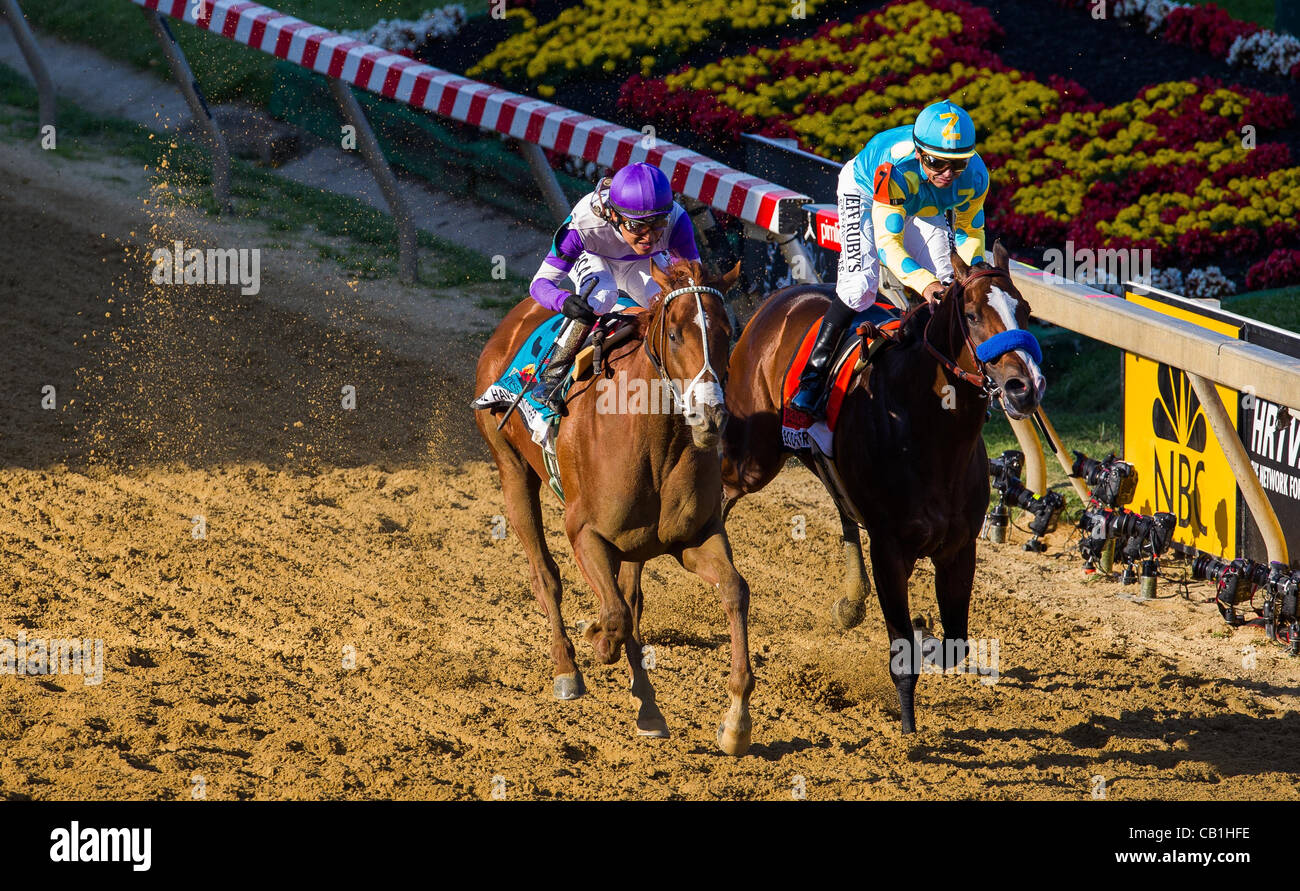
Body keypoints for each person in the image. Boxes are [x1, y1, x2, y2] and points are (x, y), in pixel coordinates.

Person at [789, 99, 991, 417]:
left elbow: (969, 233)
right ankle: (812, 379)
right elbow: (888, 245)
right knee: (859, 287)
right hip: (868, 190)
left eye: (958, 163)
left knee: (953, 286)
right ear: (919, 153)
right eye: (937, 162)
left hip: (920, 202)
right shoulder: (895, 168)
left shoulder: (976, 177)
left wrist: (968, 273)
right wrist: (925, 285)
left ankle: (953, 386)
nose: (948, 173)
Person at [527, 162, 700, 412]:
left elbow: (693, 284)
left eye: (658, 223)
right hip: (593, 255)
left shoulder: (677, 220)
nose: (649, 237)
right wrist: (563, 301)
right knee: (603, 296)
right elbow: (540, 283)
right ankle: (552, 375)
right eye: (637, 226)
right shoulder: (584, 223)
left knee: (672, 302)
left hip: (640, 263)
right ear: (614, 214)